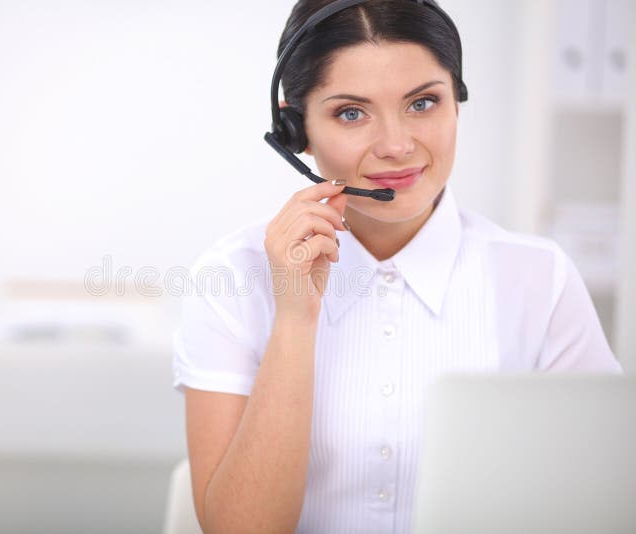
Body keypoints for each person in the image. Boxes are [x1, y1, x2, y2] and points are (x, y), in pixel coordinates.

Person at [171, 1, 624, 532]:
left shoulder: (540, 279)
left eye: (422, 103)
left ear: (457, 99)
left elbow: (602, 498)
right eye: (350, 113)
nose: (396, 145)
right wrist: (294, 318)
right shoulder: (231, 280)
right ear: (296, 128)